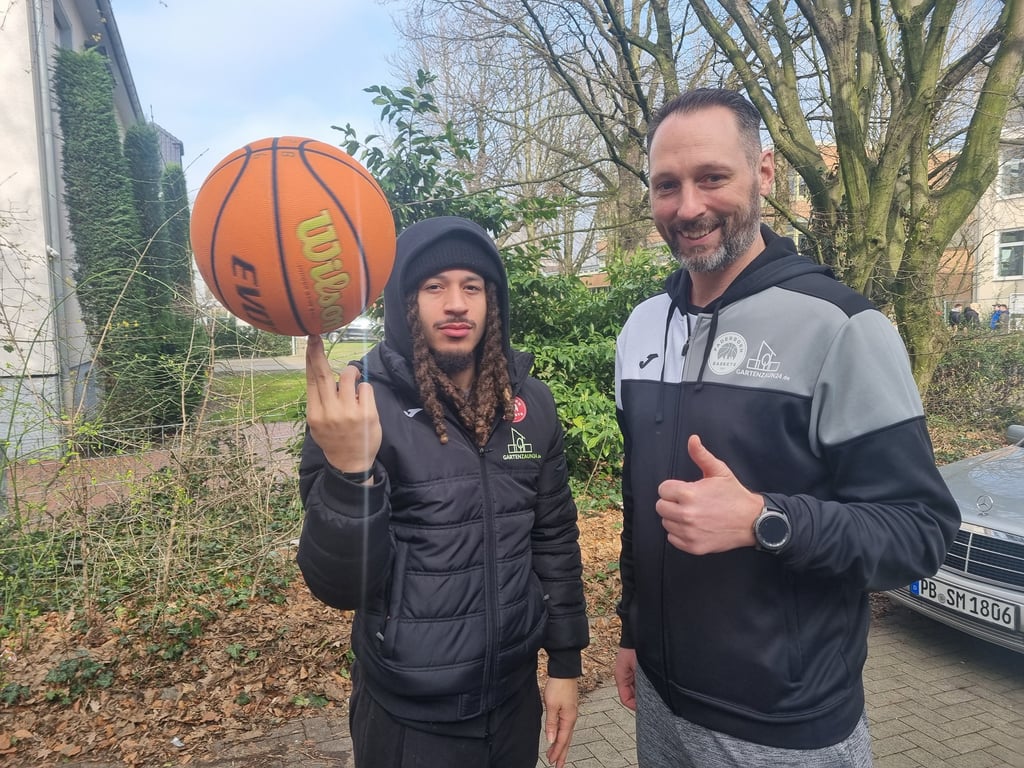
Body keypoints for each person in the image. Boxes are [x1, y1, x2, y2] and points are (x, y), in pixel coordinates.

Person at [613, 88, 960, 767]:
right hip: (659, 698)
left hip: (782, 727)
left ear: (764, 174)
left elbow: (921, 533)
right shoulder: (641, 327)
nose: (688, 207)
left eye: (713, 177)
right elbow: (640, 505)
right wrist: (632, 631)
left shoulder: (841, 327)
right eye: (666, 185)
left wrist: (764, 520)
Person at [297, 216, 589, 768]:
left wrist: (565, 665)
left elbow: (554, 540)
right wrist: (351, 473)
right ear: (405, 302)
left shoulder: (531, 405)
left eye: (472, 287)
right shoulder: (357, 405)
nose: (456, 303)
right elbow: (337, 584)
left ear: (492, 301)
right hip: (409, 718)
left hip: (511, 702)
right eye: (435, 287)